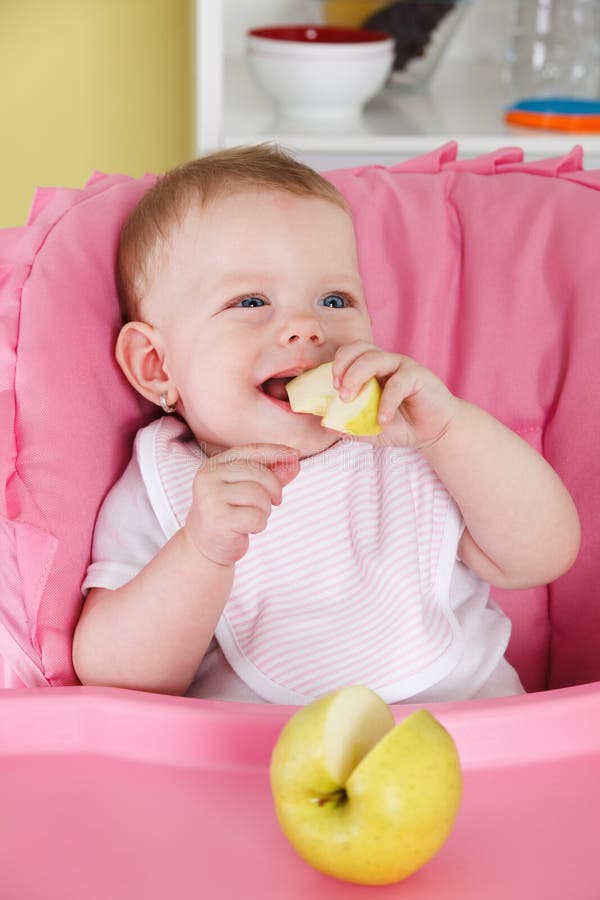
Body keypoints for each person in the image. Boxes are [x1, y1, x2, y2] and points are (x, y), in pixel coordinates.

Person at [72, 144, 580, 703]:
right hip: (262, 769)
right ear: (156, 366)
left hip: (476, 746)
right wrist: (200, 551)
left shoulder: (408, 437)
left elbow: (543, 554)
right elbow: (116, 676)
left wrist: (449, 431)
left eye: (335, 299)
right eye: (250, 301)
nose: (307, 326)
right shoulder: (167, 487)